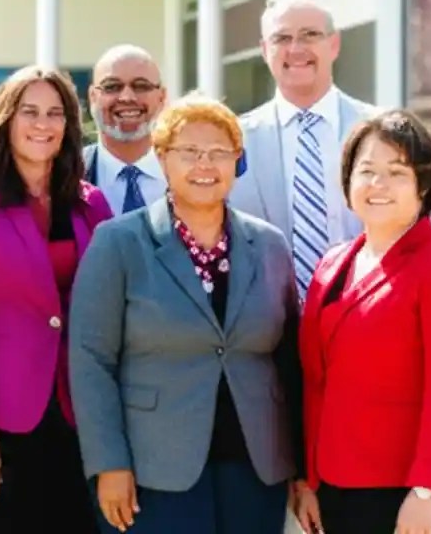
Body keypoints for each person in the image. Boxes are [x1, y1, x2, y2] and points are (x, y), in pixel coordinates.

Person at [70, 94, 303, 534]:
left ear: (237, 160)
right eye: (190, 152)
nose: (205, 165)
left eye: (219, 153)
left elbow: (289, 358)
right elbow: (90, 361)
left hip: (256, 468)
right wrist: (108, 464)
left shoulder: (268, 245)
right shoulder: (119, 242)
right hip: (154, 470)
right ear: (162, 157)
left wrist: (303, 466)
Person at [0, 66, 113, 533]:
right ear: (6, 120)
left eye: (55, 113)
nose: (43, 124)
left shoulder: (90, 204)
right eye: (29, 111)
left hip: (76, 418)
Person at [295, 110, 431, 534]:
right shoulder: (334, 263)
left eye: (396, 172)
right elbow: (314, 381)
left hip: (409, 489)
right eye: (366, 170)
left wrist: (427, 489)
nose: (378, 185)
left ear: (423, 184)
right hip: (335, 483)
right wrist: (307, 478)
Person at [229, 0, 375, 301]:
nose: (296, 49)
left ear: (333, 44)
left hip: (363, 324)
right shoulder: (233, 141)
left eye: (310, 35)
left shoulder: (379, 130)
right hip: (265, 333)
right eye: (282, 38)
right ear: (264, 49)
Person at [83, 44, 168, 214]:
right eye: (112, 87)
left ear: (162, 97)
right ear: (92, 97)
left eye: (141, 86)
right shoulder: (65, 176)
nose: (127, 97)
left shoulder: (191, 173)